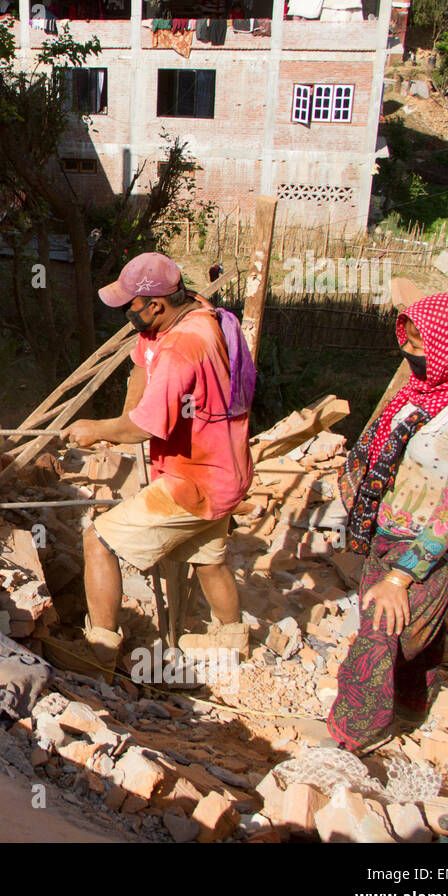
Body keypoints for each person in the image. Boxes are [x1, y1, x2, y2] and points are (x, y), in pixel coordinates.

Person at [327, 292, 448, 751]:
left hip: (428, 547)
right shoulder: (426, 391)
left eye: (421, 348)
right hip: (388, 531)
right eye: (408, 344)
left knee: (381, 625)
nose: (410, 356)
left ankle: (353, 736)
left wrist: (401, 575)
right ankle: (411, 705)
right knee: (412, 632)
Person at [61, 252, 255, 669]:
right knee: (207, 557)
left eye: (131, 305)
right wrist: (121, 421)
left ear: (157, 305)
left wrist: (98, 428)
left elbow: (147, 426)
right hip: (223, 466)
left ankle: (100, 651)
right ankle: (232, 638)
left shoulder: (184, 347)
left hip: (196, 478)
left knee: (99, 540)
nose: (127, 313)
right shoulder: (190, 312)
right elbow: (140, 369)